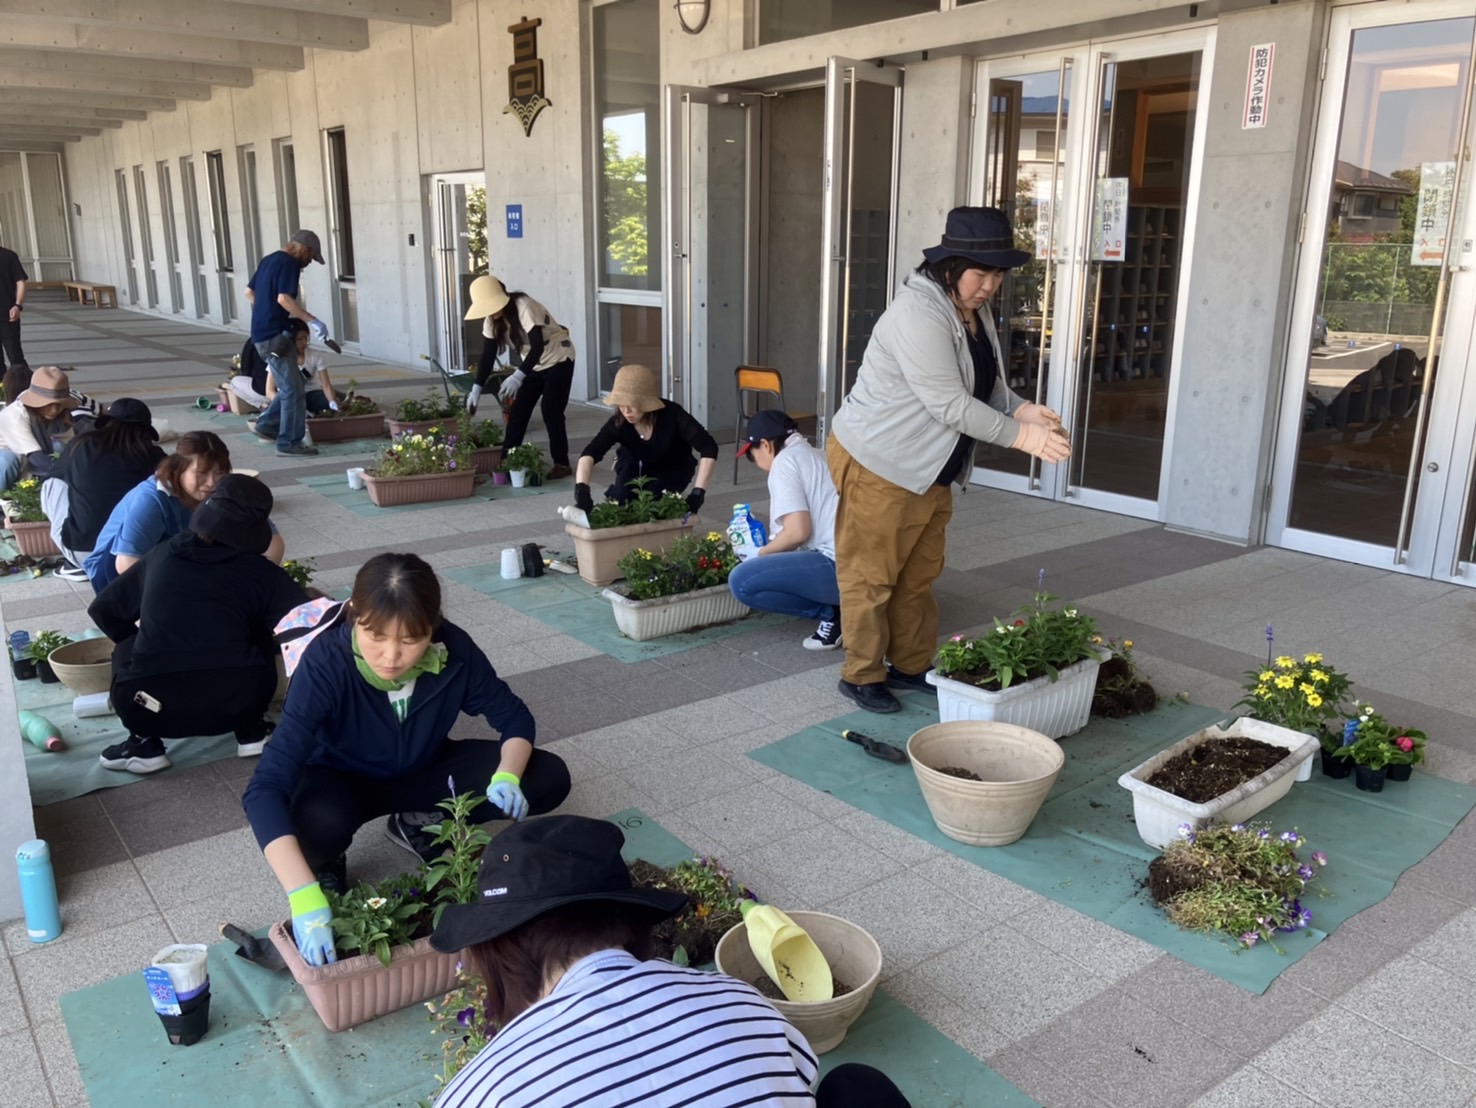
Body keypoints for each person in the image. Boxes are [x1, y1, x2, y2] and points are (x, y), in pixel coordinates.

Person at [428, 815, 912, 1108]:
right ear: (634, 923)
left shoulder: (480, 1091)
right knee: (855, 1089)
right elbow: (797, 1084)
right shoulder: (741, 1002)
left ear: (494, 951)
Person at [242, 552, 571, 966]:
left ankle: (417, 821)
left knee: (546, 777)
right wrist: (303, 895)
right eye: (375, 635)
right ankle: (328, 861)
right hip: (343, 778)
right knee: (305, 827)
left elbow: (514, 717)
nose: (390, 656)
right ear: (354, 615)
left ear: (431, 628)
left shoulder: (455, 649)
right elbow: (264, 787)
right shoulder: (326, 663)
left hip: (425, 767)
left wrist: (506, 774)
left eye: (410, 639)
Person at [828, 207, 1071, 715]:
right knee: (871, 577)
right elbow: (950, 403)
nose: (989, 285)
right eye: (980, 272)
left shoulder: (969, 310)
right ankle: (862, 674)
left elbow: (984, 384)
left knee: (918, 575)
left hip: (930, 466)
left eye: (998, 273)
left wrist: (1022, 407)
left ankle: (910, 665)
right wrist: (1022, 437)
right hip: (882, 461)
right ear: (949, 266)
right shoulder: (918, 314)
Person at [88, 475, 308, 775]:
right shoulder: (261, 572)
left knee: (129, 645)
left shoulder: (164, 554)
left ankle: (143, 744)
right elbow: (307, 626)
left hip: (149, 705)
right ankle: (252, 731)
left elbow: (105, 611)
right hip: (241, 700)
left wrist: (148, 642)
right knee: (255, 633)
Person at [84, 429, 286, 593]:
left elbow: (273, 541)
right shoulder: (152, 500)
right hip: (116, 573)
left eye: (220, 473)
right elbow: (126, 563)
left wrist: (253, 583)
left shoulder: (225, 490)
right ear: (178, 468)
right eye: (202, 473)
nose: (212, 483)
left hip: (179, 565)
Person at [728, 409, 842, 650]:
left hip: (839, 567)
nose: (756, 463)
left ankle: (833, 613)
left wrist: (758, 555)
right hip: (868, 563)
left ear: (766, 445)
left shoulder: (784, 463)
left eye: (753, 455)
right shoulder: (820, 454)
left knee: (742, 581)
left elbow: (797, 531)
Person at [463, 275, 576, 480]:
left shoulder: (524, 306)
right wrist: (477, 388)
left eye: (493, 305)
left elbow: (538, 346)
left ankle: (562, 463)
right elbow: (488, 355)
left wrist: (518, 376)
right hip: (532, 364)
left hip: (559, 358)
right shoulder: (491, 320)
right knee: (518, 412)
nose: (491, 311)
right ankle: (508, 463)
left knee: (551, 410)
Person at [43, 398, 166, 582]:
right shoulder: (153, 456)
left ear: (106, 421)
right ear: (145, 430)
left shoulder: (80, 444)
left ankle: (73, 564)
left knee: (53, 482)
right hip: (133, 555)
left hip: (82, 552)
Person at [573, 364, 717, 512]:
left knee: (655, 503)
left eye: (632, 405)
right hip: (634, 464)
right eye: (621, 405)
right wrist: (582, 491)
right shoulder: (619, 422)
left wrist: (698, 493)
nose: (626, 411)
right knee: (621, 500)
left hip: (674, 466)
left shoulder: (673, 414)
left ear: (647, 403)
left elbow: (708, 447)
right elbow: (590, 453)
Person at [244, 229, 335, 458]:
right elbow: (284, 298)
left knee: (289, 387)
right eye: (311, 257)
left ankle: (267, 425)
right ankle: (289, 443)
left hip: (261, 335)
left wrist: (263, 314)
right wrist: (312, 320)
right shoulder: (289, 263)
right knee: (294, 390)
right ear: (303, 249)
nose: (309, 263)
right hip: (276, 336)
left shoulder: (269, 260)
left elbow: (249, 292)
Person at [0, 364, 70, 492]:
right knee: (6, 461)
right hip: (10, 456)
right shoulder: (16, 414)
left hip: (32, 459)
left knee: (62, 448)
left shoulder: (64, 413)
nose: (54, 411)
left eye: (59, 405)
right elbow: (37, 458)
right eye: (48, 405)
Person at [264, 320, 339, 415]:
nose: (304, 342)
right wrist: (285, 404)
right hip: (289, 397)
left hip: (311, 394)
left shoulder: (315, 355)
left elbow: (326, 385)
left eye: (306, 338)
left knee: (338, 398)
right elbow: (269, 391)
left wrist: (332, 401)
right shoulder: (279, 358)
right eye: (299, 339)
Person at [0, 243, 26, 376]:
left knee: (15, 357)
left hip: (8, 315)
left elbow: (20, 282)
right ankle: (3, 392)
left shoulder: (8, 256)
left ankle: (24, 390)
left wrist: (18, 305)